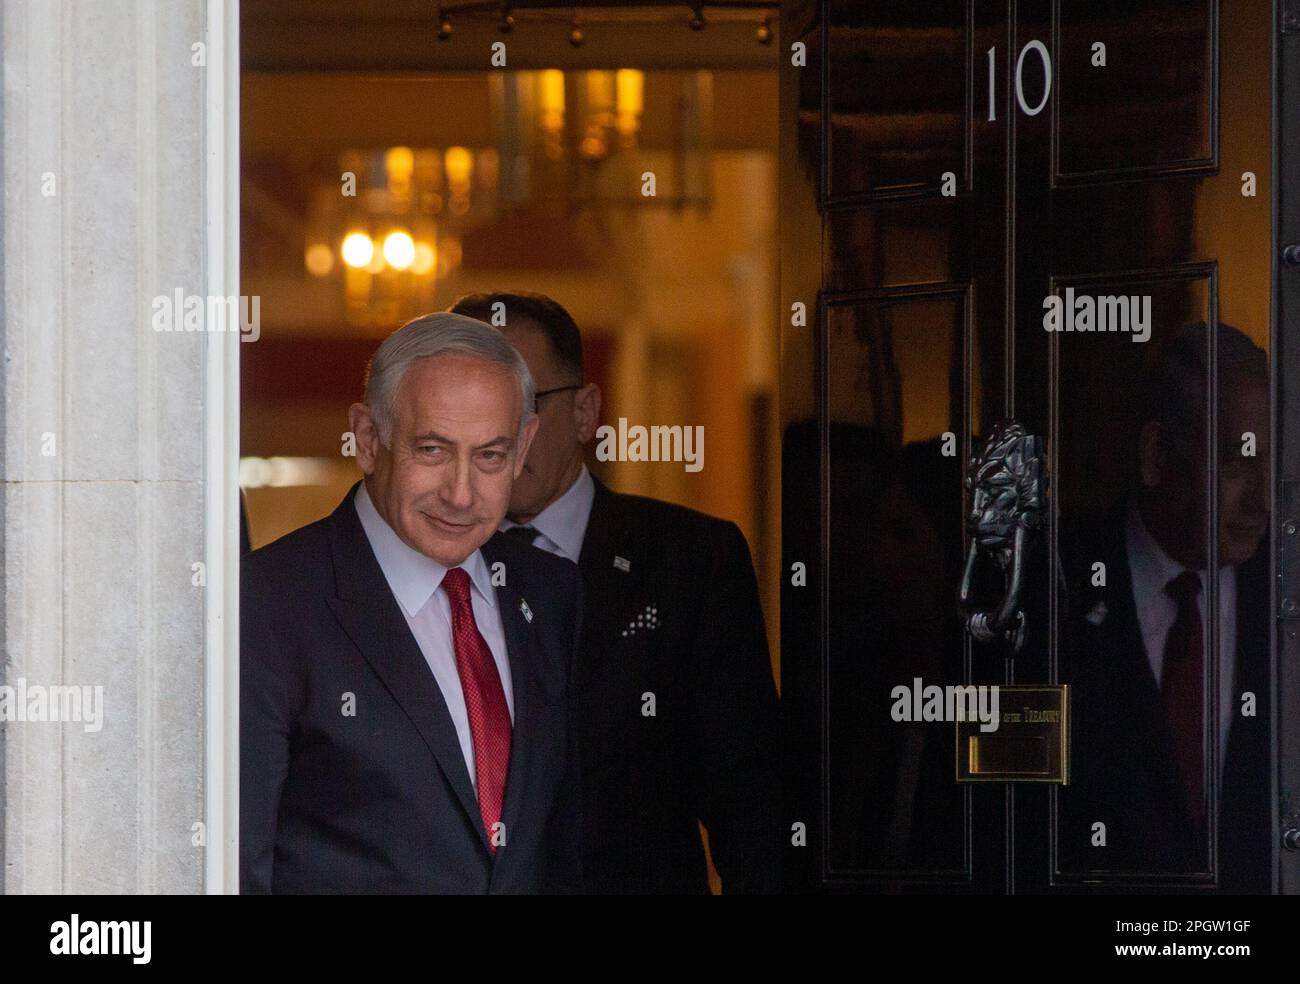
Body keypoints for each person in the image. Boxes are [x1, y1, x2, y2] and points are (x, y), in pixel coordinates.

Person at [450, 291, 781, 893]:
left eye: (516, 403)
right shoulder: (417, 567)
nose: (488, 435)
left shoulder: (689, 560)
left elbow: (750, 804)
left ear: (584, 412)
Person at [240, 312, 583, 893]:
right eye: (432, 450)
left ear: (525, 445)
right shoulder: (270, 603)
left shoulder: (551, 594)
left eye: (490, 457)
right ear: (369, 439)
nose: (460, 492)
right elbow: (242, 865)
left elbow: (558, 846)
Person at [1059, 322, 1271, 892]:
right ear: (1157, 455)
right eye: (1235, 463)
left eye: (1271, 463)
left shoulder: (1283, 591)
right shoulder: (1051, 589)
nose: (1263, 498)